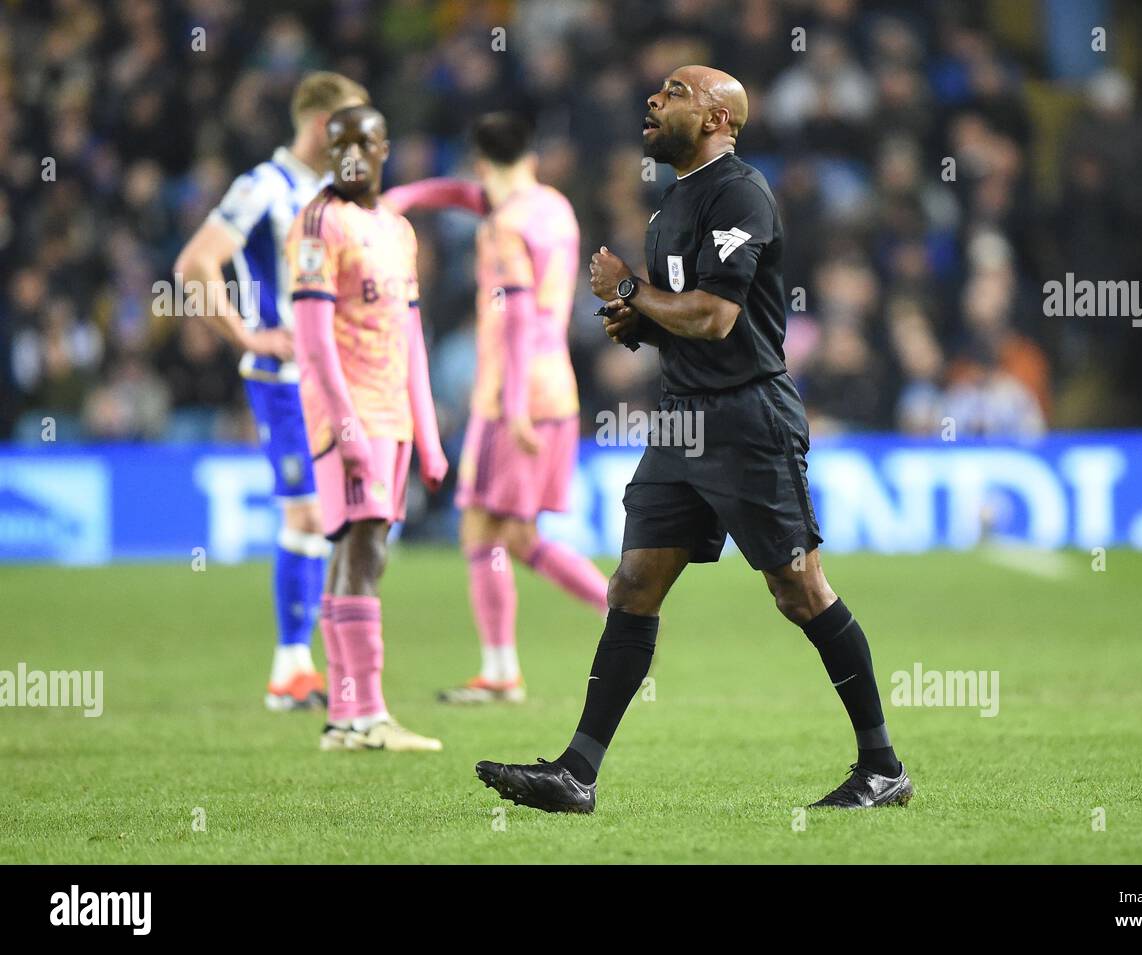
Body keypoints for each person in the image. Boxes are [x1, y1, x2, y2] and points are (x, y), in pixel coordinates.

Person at [475, 67, 912, 812]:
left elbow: (715, 317)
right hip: (683, 419)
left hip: (748, 419)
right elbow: (682, 316)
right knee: (633, 583)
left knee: (799, 588)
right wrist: (639, 321)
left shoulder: (741, 192)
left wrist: (627, 291)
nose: (654, 98)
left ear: (717, 118)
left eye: (675, 91)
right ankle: (577, 772)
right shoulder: (670, 206)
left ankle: (882, 766)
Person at [384, 113, 607, 704]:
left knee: (485, 529)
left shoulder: (500, 230)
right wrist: (405, 195)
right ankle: (609, 615)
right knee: (515, 531)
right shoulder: (554, 207)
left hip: (510, 393)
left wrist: (510, 410)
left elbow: (515, 318)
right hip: (557, 385)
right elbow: (464, 194)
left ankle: (510, 667)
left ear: (480, 163)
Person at [173, 72, 369, 710]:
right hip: (283, 380)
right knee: (306, 513)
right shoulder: (264, 186)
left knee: (329, 522)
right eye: (349, 129)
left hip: (337, 380)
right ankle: (290, 667)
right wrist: (246, 336)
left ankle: (305, 668)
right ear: (320, 127)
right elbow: (195, 263)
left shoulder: (336, 195)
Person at [287, 105, 448, 751]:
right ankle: (368, 714)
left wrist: (429, 434)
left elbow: (410, 336)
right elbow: (312, 337)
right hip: (349, 409)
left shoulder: (397, 229)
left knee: (358, 548)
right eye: (338, 142)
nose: (352, 152)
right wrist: (346, 425)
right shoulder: (319, 222)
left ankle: (344, 718)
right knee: (364, 549)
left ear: (386, 149)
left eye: (365, 141)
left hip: (393, 414)